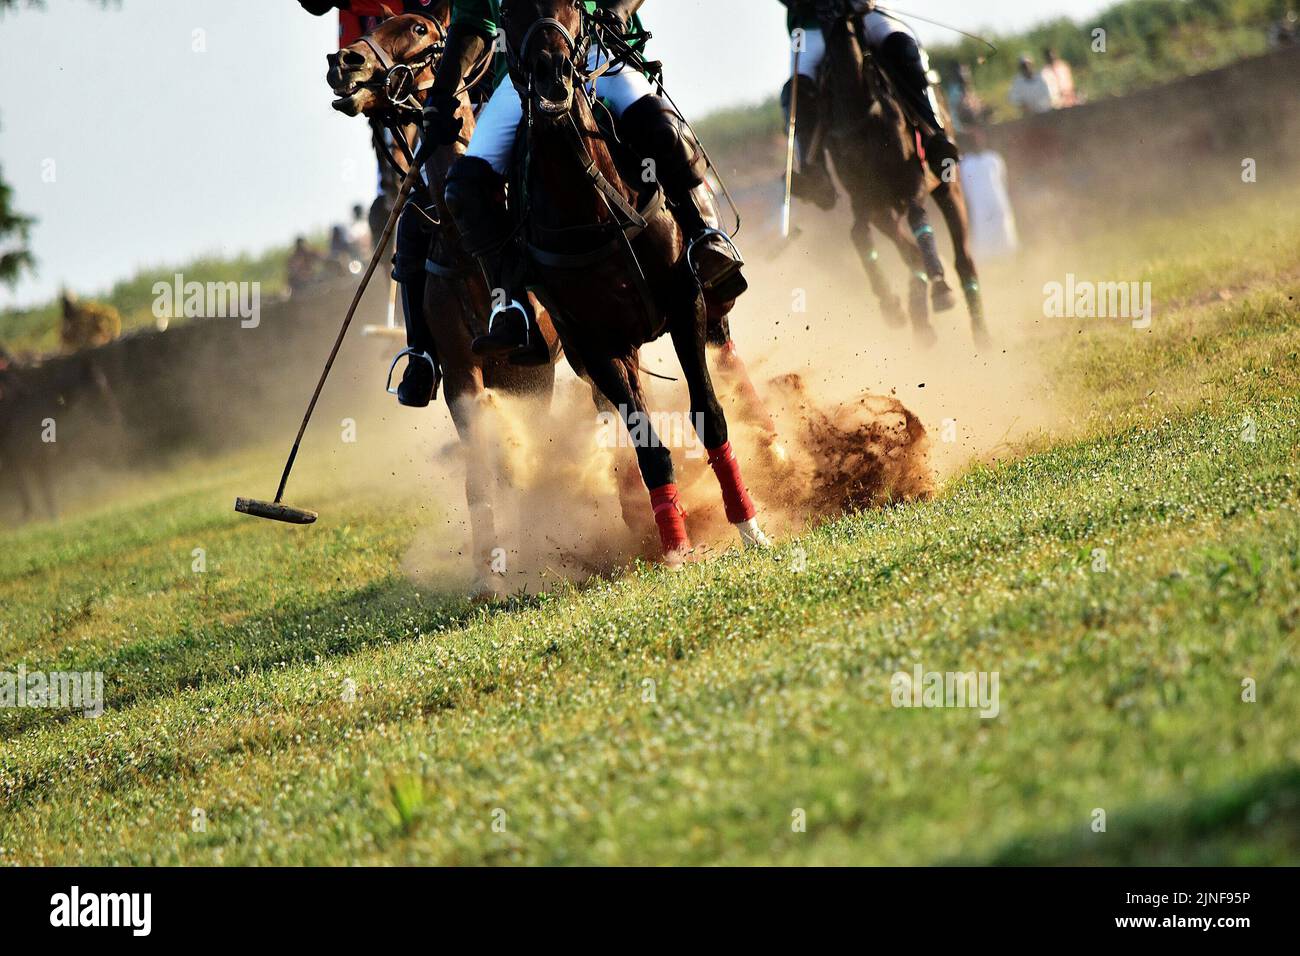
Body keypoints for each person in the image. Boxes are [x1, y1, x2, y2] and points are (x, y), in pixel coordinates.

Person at [427, 0, 748, 363]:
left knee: (663, 127)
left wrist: (617, 11)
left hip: (593, 50)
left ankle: (704, 236)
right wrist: (441, 94)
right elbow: (472, 24)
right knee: (466, 187)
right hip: (521, 76)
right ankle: (512, 306)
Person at [779, 1, 961, 193]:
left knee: (904, 49)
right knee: (796, 91)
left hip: (868, 12)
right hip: (811, 28)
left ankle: (936, 138)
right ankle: (812, 172)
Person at [958, 127, 1017, 260]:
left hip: (998, 204)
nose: (977, 142)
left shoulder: (994, 159)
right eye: (973, 139)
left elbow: (1003, 181)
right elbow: (965, 190)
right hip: (979, 209)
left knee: (1004, 235)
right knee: (983, 238)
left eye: (978, 139)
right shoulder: (965, 164)